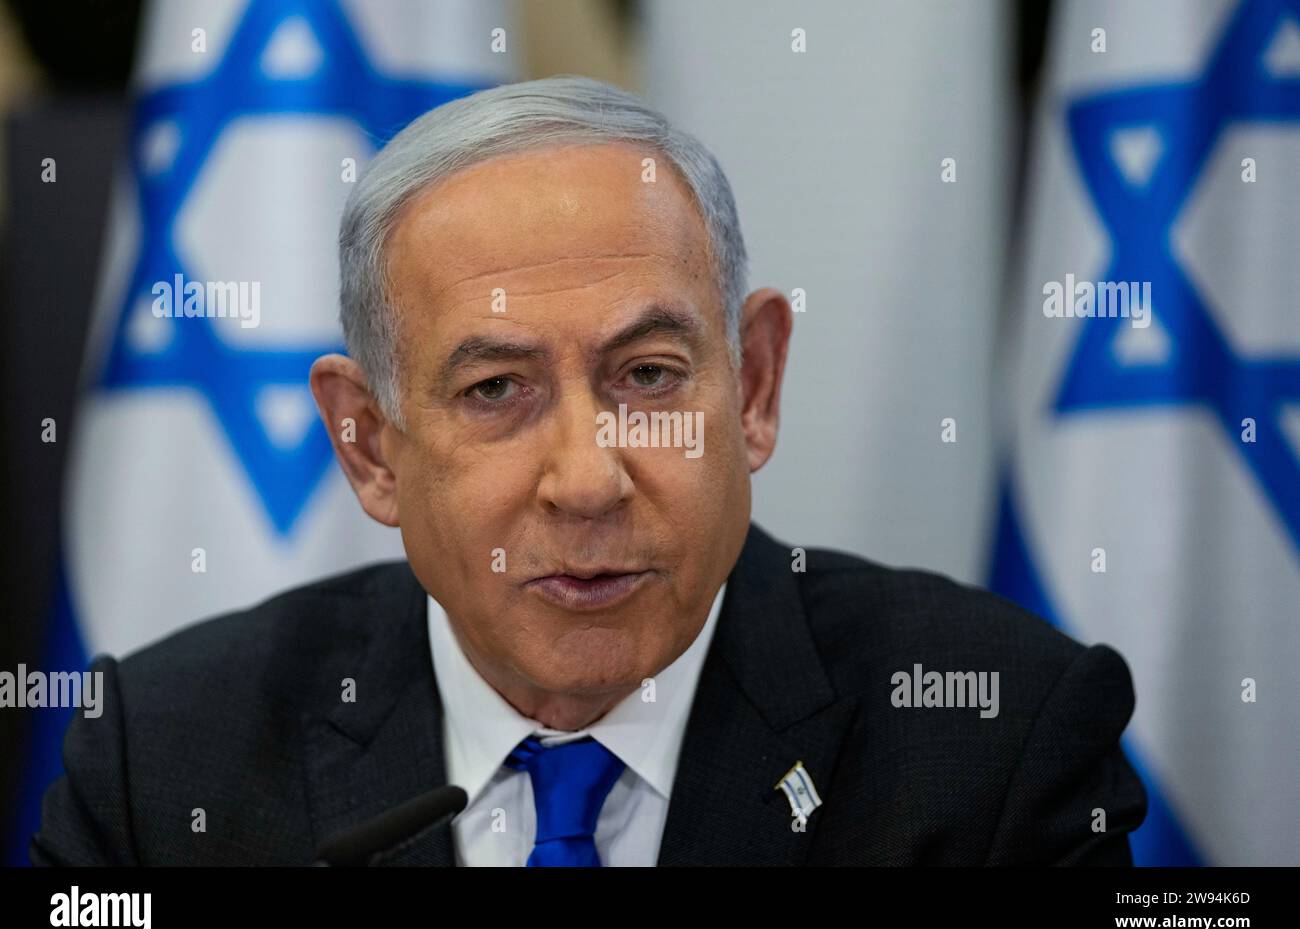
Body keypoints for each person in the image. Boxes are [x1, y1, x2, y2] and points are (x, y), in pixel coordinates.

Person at [32, 76, 1146, 866]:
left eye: (650, 374)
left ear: (752, 386)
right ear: (369, 443)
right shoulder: (166, 759)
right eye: (495, 391)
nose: (586, 478)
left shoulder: (996, 741)